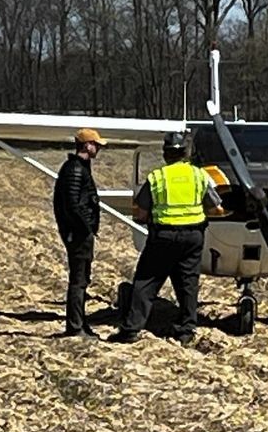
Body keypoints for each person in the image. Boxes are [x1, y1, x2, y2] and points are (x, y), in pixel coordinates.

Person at [110, 131, 222, 345]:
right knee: (188, 283)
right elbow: (216, 208)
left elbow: (141, 213)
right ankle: (187, 330)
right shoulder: (199, 176)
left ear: (165, 154)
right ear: (185, 153)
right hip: (193, 237)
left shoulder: (156, 177)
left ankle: (131, 329)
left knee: (146, 281)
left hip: (163, 236)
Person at [53, 128, 107, 338]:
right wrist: (85, 229)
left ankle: (80, 324)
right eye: (96, 144)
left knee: (82, 279)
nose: (99, 148)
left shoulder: (79, 168)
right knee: (78, 281)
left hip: (80, 233)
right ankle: (75, 326)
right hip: (77, 235)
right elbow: (72, 205)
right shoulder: (75, 170)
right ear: (86, 145)